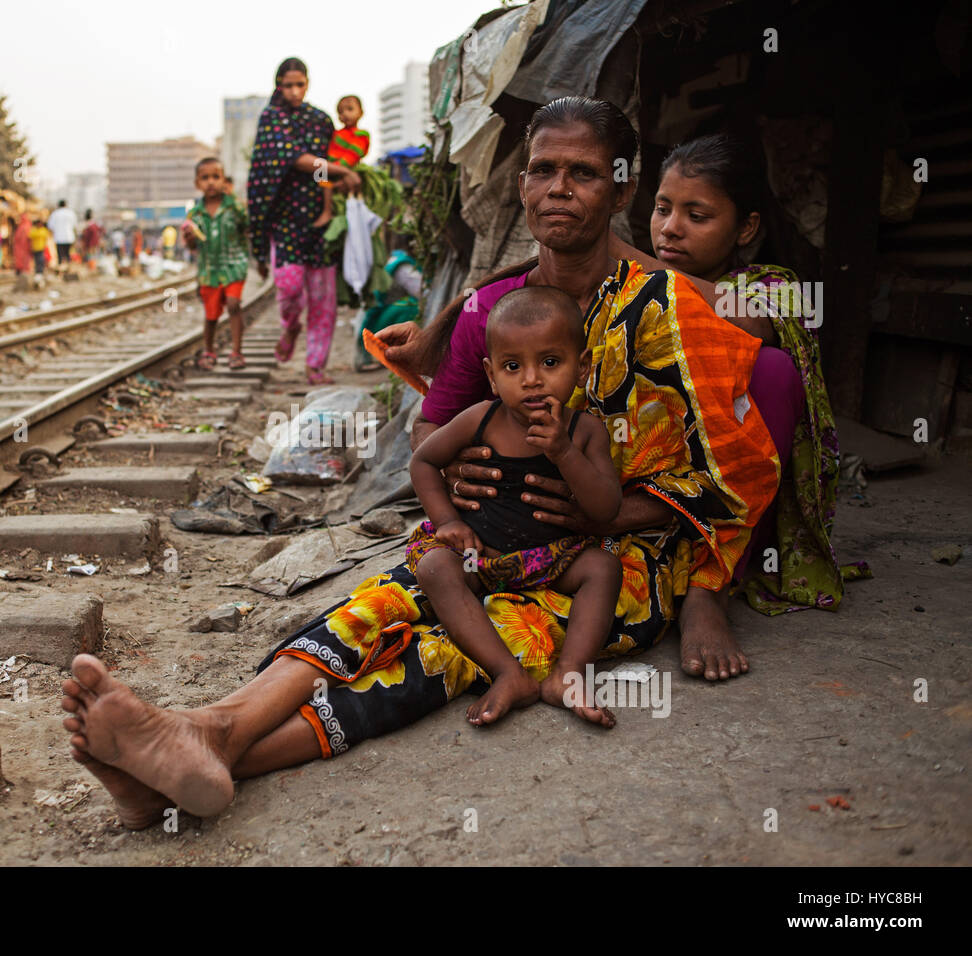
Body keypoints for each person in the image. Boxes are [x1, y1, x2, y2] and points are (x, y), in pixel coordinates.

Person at [57, 96, 781, 825]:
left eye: (584, 173)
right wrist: (458, 473)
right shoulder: (493, 309)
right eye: (542, 170)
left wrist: (615, 506)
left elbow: (733, 472)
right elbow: (435, 431)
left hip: (613, 560)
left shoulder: (671, 310)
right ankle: (207, 733)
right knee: (386, 600)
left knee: (456, 651)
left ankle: (196, 756)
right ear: (522, 184)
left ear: (622, 190)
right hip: (490, 539)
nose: (558, 188)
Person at [648, 133, 865, 614]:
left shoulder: (771, 288)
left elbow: (752, 321)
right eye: (662, 209)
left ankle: (723, 568)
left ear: (746, 228)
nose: (670, 229)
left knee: (770, 365)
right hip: (648, 486)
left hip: (735, 497)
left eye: (696, 216)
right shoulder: (629, 287)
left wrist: (627, 261)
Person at [408, 286, 623, 726]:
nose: (531, 380)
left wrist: (565, 453)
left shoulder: (585, 432)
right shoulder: (480, 419)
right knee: (434, 568)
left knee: (604, 568)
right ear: (490, 375)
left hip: (552, 558)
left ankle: (568, 674)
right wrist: (447, 520)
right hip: (480, 556)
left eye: (550, 362)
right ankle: (509, 673)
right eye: (512, 366)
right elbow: (423, 461)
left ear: (581, 368)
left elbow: (606, 510)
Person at [247, 57, 358, 385]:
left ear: (307, 84)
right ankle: (291, 325)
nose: (294, 91)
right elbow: (294, 159)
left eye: (300, 84)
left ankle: (315, 366)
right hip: (284, 220)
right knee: (290, 287)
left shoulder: (320, 119)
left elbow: (326, 161)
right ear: (278, 85)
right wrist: (341, 171)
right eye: (287, 85)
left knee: (323, 299)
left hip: (319, 219)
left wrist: (340, 171)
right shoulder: (272, 117)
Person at [183, 157, 250, 370]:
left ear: (224, 180)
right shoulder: (195, 214)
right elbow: (193, 247)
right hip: (209, 270)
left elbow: (247, 228)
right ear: (197, 183)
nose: (210, 182)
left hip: (234, 265)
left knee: (233, 304)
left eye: (215, 177)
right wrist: (190, 238)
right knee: (211, 315)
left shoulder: (235, 207)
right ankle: (209, 351)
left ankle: (237, 352)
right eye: (205, 178)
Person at [313, 94, 371, 229]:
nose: (345, 114)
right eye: (341, 111)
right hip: (332, 168)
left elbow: (353, 154)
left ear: (360, 113)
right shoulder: (336, 133)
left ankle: (328, 211)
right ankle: (327, 209)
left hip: (347, 169)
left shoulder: (361, 135)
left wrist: (338, 168)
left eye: (350, 109)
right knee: (320, 174)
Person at [47, 199, 77, 273]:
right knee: (68, 254)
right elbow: (74, 225)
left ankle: (60, 270)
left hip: (59, 238)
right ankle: (68, 269)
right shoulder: (71, 213)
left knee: (60, 255)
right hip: (69, 237)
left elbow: (50, 226)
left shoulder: (55, 214)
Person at [11, 212, 32, 276]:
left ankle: (23, 270)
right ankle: (21, 270)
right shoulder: (24, 226)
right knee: (21, 258)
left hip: (24, 246)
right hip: (20, 246)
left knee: (24, 258)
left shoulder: (25, 226)